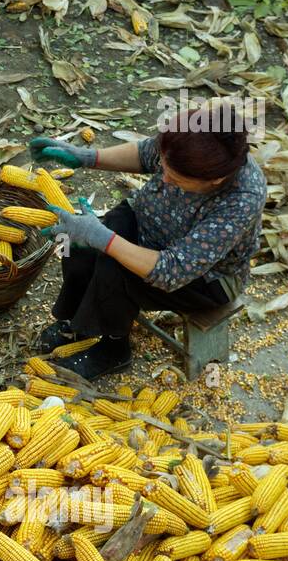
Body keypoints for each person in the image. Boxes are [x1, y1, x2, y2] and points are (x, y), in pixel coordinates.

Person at [32, 107, 266, 379]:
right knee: (79, 248)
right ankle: (76, 324)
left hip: (204, 279)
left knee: (115, 271)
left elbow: (172, 270)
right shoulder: (189, 140)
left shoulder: (242, 198)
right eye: (164, 168)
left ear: (215, 180)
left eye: (176, 179)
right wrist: (87, 157)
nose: (163, 178)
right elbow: (145, 154)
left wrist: (104, 239)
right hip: (149, 222)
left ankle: (113, 348)